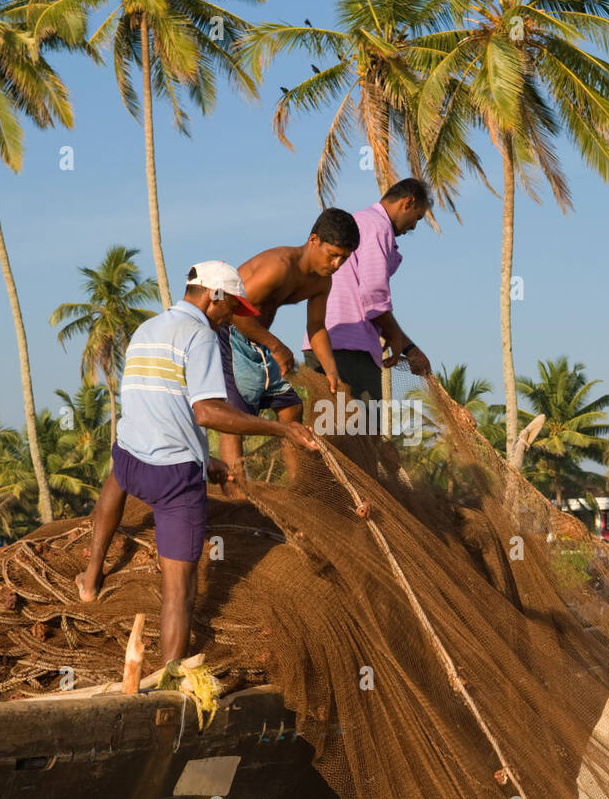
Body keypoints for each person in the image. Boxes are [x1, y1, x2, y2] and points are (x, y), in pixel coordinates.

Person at [76, 261, 317, 665]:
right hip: (172, 480)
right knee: (179, 591)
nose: (232, 318)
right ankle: (170, 677)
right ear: (213, 297)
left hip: (131, 461)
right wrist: (282, 431)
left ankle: (91, 578)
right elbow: (206, 413)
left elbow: (158, 410)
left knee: (114, 482)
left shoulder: (146, 329)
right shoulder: (201, 336)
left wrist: (204, 460)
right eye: (232, 307)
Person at [217, 207, 360, 476]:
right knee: (236, 418)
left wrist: (331, 371)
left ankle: (298, 487)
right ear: (313, 240)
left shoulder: (322, 282)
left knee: (291, 406)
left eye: (344, 258)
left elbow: (316, 327)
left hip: (258, 341)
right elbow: (232, 312)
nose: (337, 265)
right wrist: (277, 346)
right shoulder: (278, 268)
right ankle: (237, 494)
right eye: (333, 255)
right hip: (227, 336)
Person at [302, 177, 433, 403]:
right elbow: (374, 295)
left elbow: (371, 304)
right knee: (360, 433)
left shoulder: (361, 222)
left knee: (333, 431)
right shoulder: (377, 226)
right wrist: (399, 340)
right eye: (417, 218)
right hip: (349, 352)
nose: (413, 226)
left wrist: (408, 347)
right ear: (408, 203)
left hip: (325, 345)